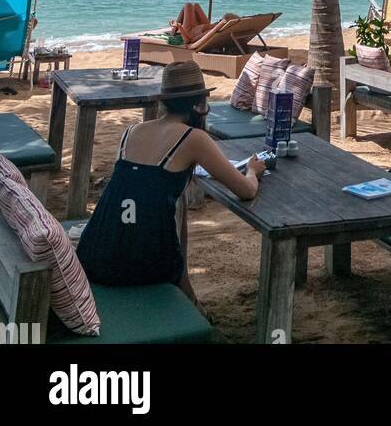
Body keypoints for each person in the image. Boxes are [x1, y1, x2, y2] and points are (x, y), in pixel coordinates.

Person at [76, 60, 265, 300]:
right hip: (140, 264)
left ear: (163, 101)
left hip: (96, 251)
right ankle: (185, 300)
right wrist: (252, 170)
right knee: (166, 220)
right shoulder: (194, 138)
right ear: (199, 103)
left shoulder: (131, 132)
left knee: (166, 210)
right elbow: (246, 191)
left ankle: (189, 298)